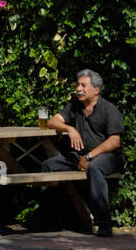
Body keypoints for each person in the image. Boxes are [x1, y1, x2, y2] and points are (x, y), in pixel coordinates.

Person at [40, 68, 124, 237]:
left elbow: (115, 141)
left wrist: (90, 156)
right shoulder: (75, 106)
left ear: (96, 90)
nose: (78, 88)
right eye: (78, 85)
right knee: (49, 166)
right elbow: (52, 122)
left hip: (107, 157)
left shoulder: (109, 110)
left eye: (83, 85)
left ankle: (104, 223)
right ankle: (49, 218)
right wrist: (69, 128)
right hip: (79, 156)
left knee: (94, 168)